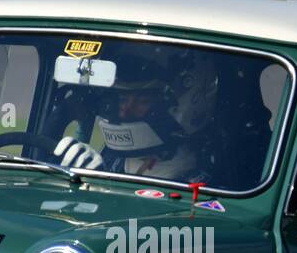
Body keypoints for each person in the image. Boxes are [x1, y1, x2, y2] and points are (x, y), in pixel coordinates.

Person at [52, 51, 217, 183]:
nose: (125, 111)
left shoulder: (201, 172)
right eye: (123, 100)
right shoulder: (114, 155)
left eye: (143, 101)